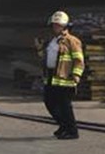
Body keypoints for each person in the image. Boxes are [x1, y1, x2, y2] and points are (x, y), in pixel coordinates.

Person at [35, 11, 85, 140]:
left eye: (58, 25)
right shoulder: (53, 41)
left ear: (65, 26)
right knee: (49, 102)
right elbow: (46, 58)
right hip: (52, 76)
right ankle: (63, 126)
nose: (55, 28)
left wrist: (76, 74)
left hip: (65, 78)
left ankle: (72, 131)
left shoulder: (72, 41)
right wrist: (40, 49)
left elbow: (79, 59)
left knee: (64, 106)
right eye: (54, 25)